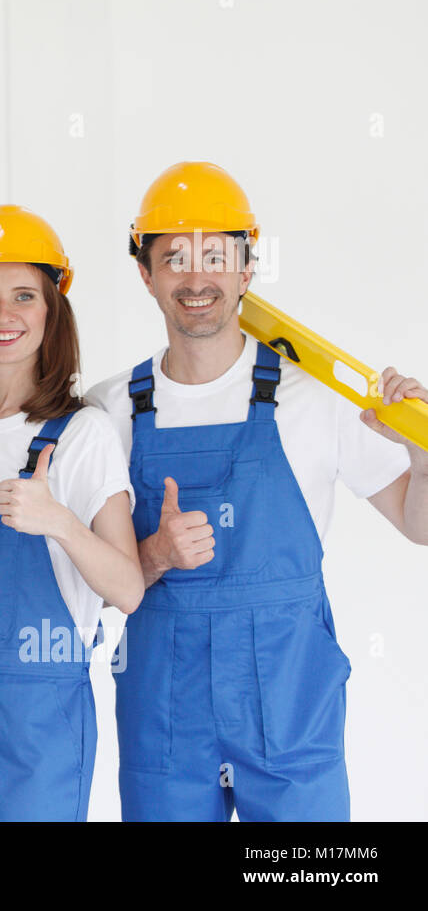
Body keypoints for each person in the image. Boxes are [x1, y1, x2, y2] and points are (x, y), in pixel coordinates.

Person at [87, 161, 428, 821]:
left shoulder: (316, 398)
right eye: (175, 257)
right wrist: (154, 553)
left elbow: (420, 525)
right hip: (166, 713)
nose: (197, 277)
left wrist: (420, 448)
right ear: (146, 274)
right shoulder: (111, 411)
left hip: (291, 706)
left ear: (247, 270)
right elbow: (95, 580)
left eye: (217, 255)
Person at [0, 205, 142, 821]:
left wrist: (58, 522)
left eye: (24, 296)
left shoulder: (82, 434)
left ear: (51, 311)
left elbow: (128, 589)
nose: (3, 315)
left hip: (36, 718)